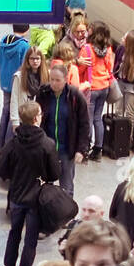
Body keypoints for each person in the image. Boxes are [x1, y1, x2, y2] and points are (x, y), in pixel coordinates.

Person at [0, 100, 61, 266]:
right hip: (35, 199)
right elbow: (54, 174)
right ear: (36, 119)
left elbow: (2, 169)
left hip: (16, 196)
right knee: (30, 240)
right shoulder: (46, 144)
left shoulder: (14, 142)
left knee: (14, 234)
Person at [37, 60, 91, 196]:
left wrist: (81, 150)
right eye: (52, 80)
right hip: (47, 149)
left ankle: (65, 215)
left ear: (66, 80)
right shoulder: (43, 93)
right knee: (45, 184)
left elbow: (84, 124)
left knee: (66, 187)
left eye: (58, 80)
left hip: (67, 150)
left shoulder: (75, 96)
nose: (54, 83)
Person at [80, 21, 116, 160]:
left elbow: (82, 68)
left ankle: (85, 149)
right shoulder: (108, 49)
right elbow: (109, 67)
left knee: (87, 119)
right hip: (104, 87)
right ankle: (98, 150)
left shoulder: (87, 49)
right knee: (97, 118)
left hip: (91, 87)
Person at [0, 24, 32, 149]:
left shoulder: (3, 42)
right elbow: (25, 66)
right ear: (27, 30)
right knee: (15, 112)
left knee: (5, 111)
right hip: (17, 83)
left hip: (4, 82)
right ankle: (8, 145)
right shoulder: (25, 46)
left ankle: (0, 144)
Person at [8, 46, 47, 133]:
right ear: (27, 60)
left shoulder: (46, 76)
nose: (35, 61)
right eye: (32, 58)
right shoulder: (19, 76)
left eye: (37, 58)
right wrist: (15, 121)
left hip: (39, 120)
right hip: (23, 119)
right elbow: (14, 99)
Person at [113, 30, 134, 120]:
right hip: (120, 82)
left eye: (124, 38)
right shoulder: (120, 49)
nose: (122, 39)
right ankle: (117, 133)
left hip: (131, 87)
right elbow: (115, 65)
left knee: (129, 114)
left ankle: (129, 134)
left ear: (129, 43)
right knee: (118, 111)